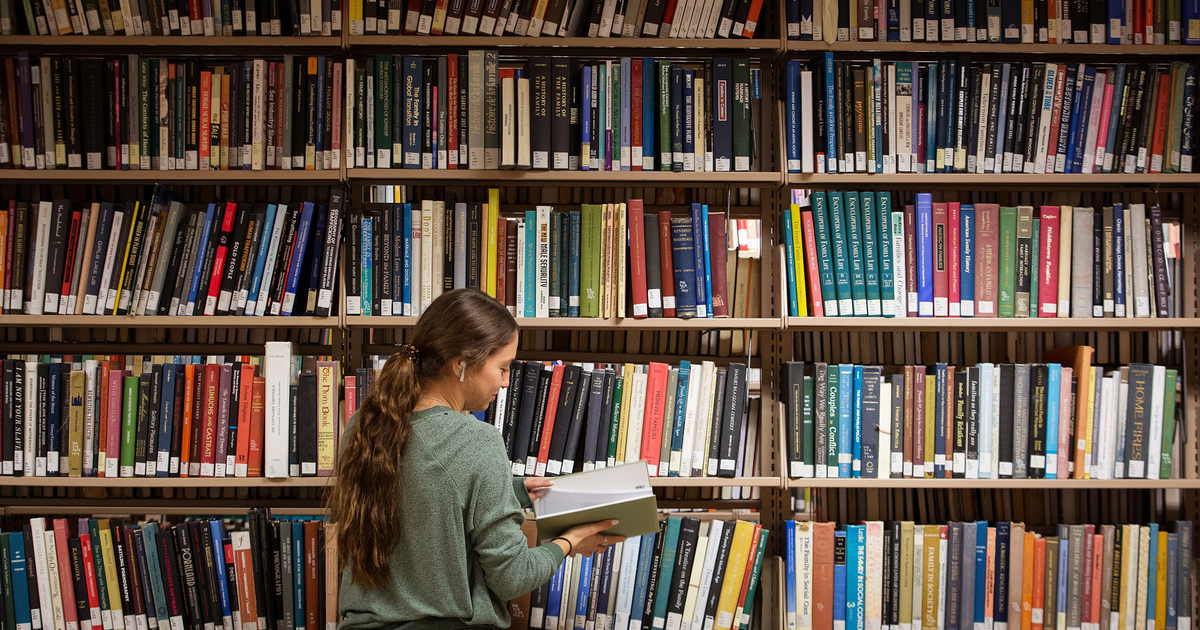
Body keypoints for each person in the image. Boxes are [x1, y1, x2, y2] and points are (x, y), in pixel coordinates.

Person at [328, 288, 626, 630]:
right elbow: (512, 578)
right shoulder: (476, 441)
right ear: (461, 364)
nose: (505, 380)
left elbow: (419, 494)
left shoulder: (363, 424)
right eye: (503, 367)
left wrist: (509, 491)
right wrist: (570, 542)